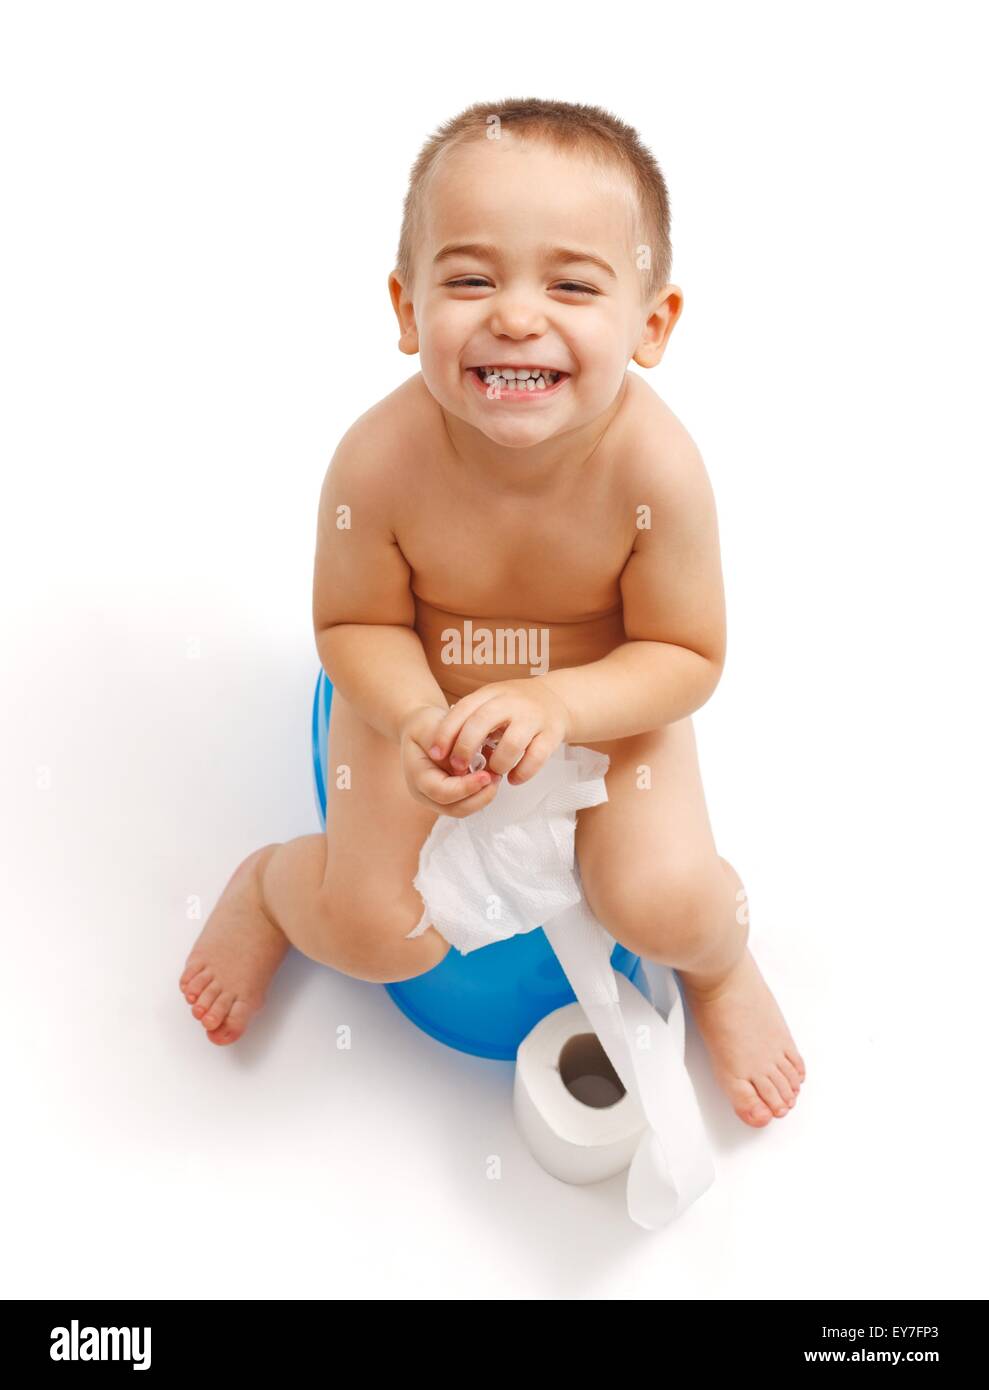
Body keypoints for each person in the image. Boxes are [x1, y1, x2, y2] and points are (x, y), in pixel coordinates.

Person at [180, 97, 806, 1128]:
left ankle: (724, 971)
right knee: (371, 924)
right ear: (405, 309)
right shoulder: (377, 463)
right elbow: (353, 629)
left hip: (607, 698)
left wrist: (560, 705)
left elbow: (683, 653)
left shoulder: (659, 471)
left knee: (669, 902)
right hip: (425, 693)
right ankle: (270, 888)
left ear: (650, 325)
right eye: (469, 278)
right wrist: (420, 717)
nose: (515, 316)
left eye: (570, 284)